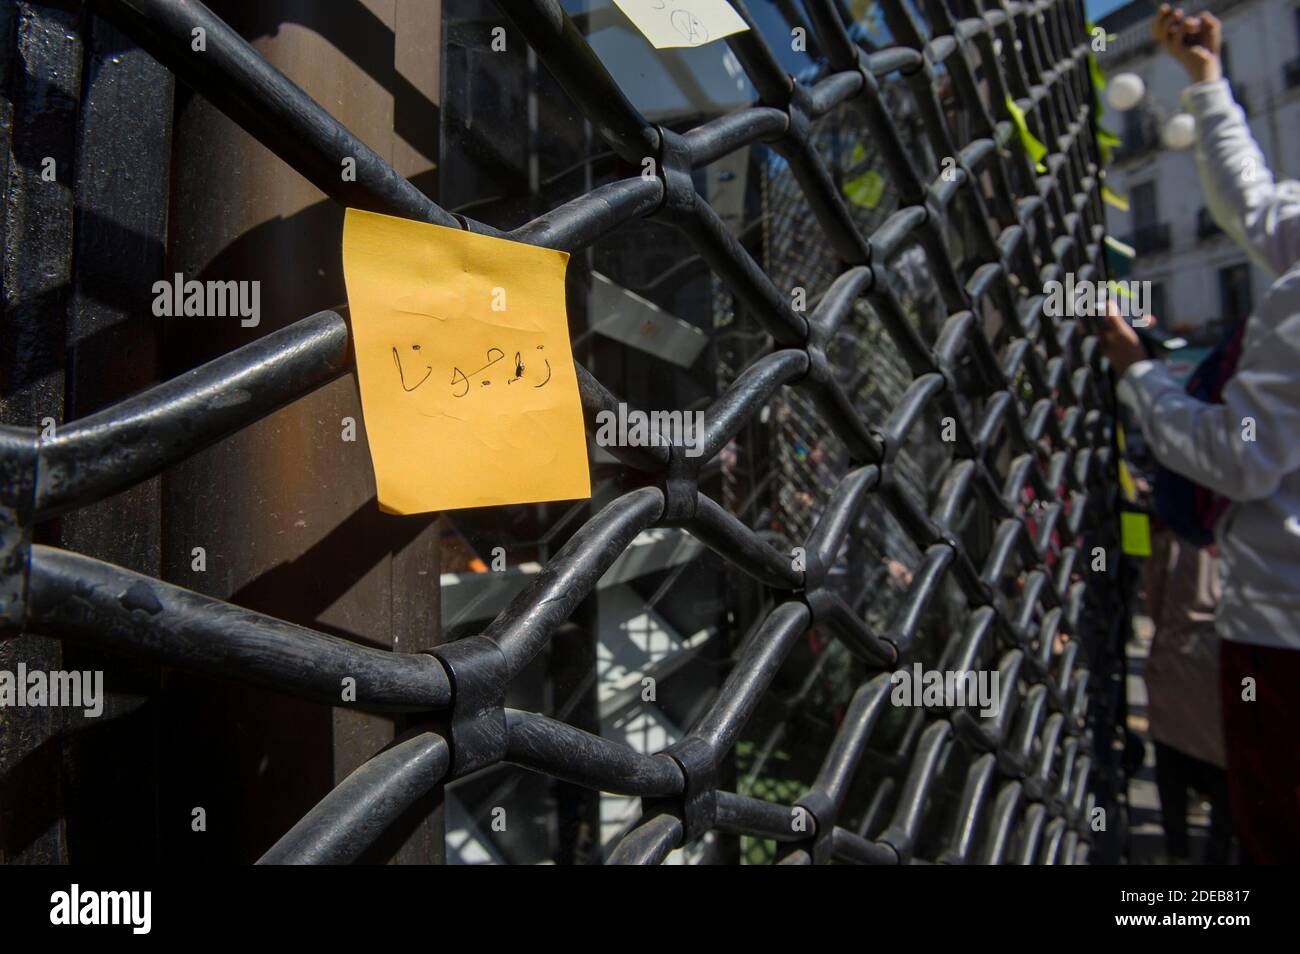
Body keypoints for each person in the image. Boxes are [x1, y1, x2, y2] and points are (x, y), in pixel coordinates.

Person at [1100, 5, 1300, 864]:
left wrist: (1137, 372)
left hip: (1283, 640)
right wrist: (1209, 82)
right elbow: (1257, 208)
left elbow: (1240, 454)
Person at [1142, 525, 1231, 863]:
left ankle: (1177, 850)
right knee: (1227, 765)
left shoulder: (1174, 530)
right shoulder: (1251, 524)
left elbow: (1155, 593)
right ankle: (1218, 850)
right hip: (1227, 660)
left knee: (1169, 761)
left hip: (1177, 654)